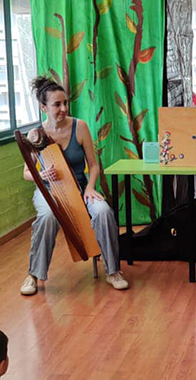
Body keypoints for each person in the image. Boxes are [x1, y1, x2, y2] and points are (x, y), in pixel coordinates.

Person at [20, 75, 127, 296]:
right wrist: (42, 175)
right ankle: (33, 275)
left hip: (80, 188)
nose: (63, 108)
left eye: (65, 103)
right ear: (43, 107)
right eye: (56, 104)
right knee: (48, 216)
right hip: (49, 191)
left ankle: (113, 271)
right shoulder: (36, 135)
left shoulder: (80, 127)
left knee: (103, 211)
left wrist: (90, 188)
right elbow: (26, 173)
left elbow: (94, 165)